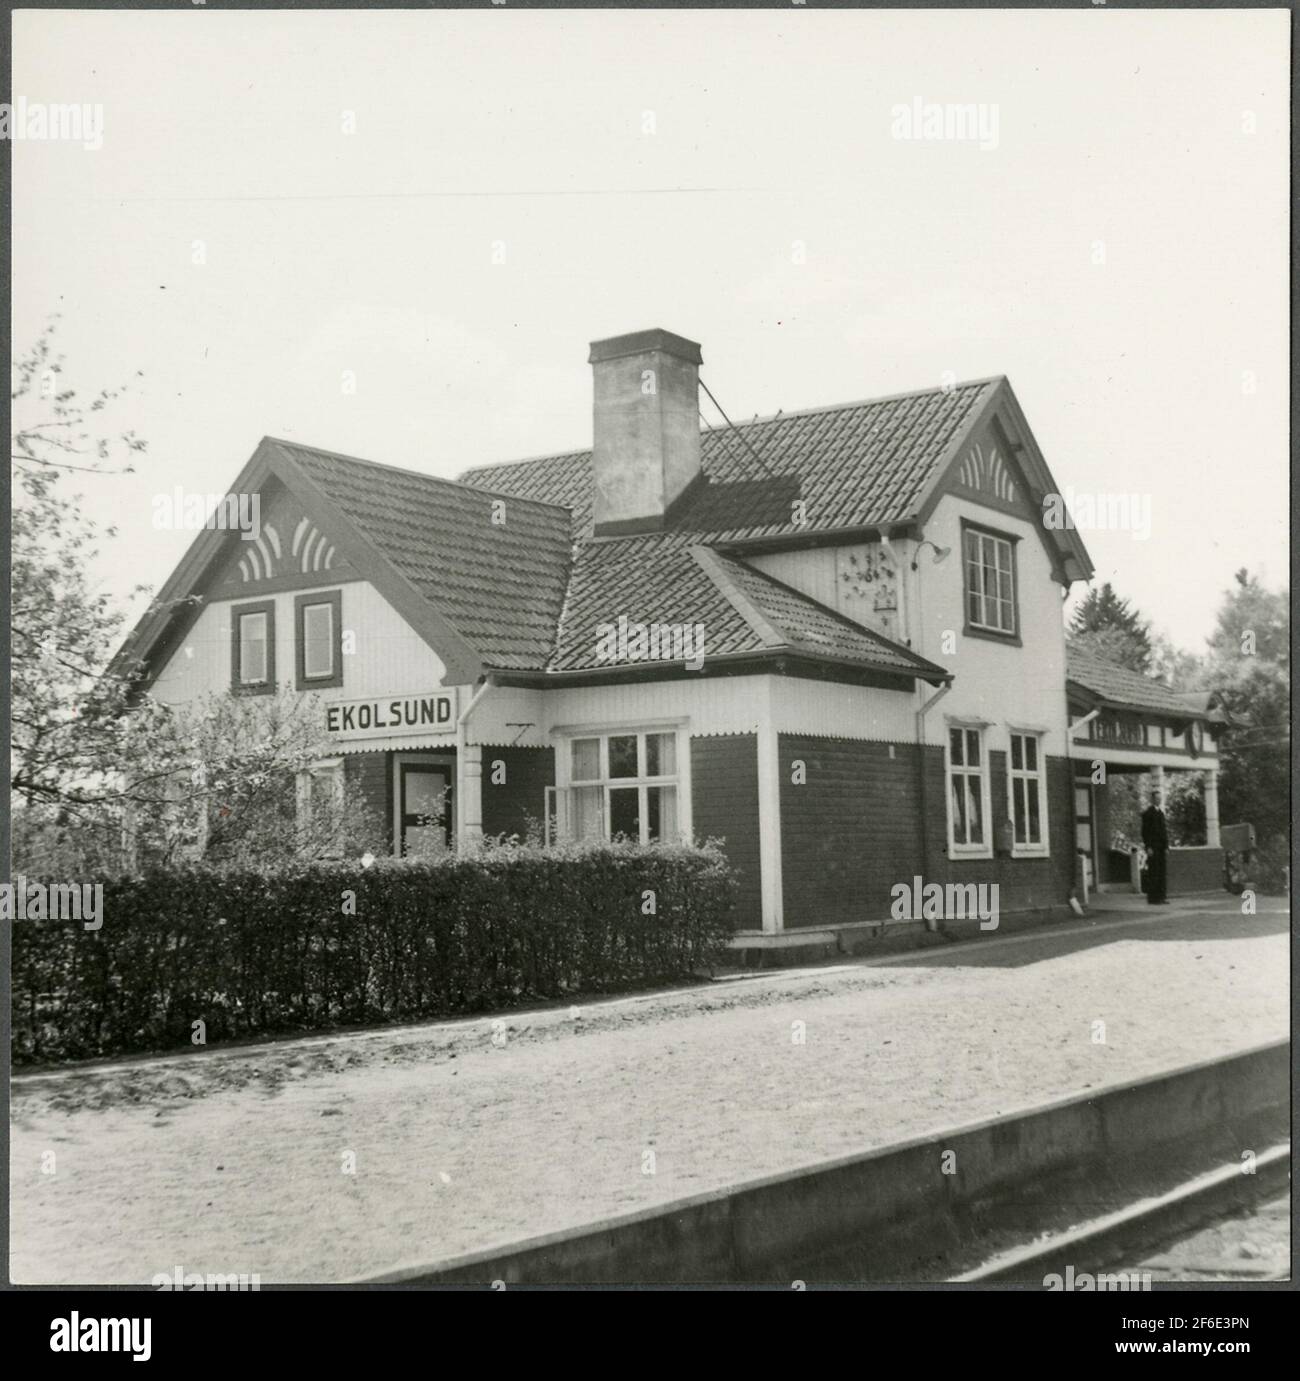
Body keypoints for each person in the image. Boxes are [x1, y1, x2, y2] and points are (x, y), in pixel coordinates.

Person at [1140, 795, 1169, 904]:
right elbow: (1145, 832)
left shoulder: (1161, 813)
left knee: (1162, 871)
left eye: (1160, 798)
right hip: (1153, 847)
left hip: (1161, 847)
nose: (1159, 800)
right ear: (1152, 800)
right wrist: (1148, 847)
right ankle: (1153, 898)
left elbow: (1164, 831)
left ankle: (1162, 896)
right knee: (1154, 872)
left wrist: (1166, 846)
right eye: (1157, 798)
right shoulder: (1147, 814)